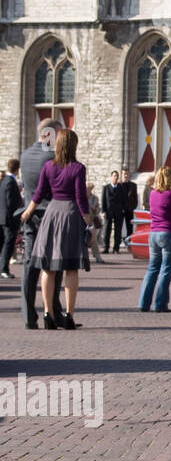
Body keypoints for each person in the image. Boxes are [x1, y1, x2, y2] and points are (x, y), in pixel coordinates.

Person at [20, 128, 91, 329]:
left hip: (51, 214)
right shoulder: (78, 168)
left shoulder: (48, 166)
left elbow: (39, 193)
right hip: (69, 214)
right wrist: (89, 223)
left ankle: (47, 314)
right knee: (70, 268)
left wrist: (27, 212)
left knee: (47, 267)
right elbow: (80, 198)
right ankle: (68, 314)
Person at [19, 120, 65, 327]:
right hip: (50, 215)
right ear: (50, 134)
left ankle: (29, 316)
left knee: (30, 265)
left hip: (29, 215)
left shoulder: (25, 155)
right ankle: (53, 311)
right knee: (54, 264)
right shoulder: (53, 157)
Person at [137, 166, 171, 312]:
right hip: (168, 232)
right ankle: (160, 304)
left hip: (154, 233)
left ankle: (143, 303)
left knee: (152, 268)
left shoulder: (152, 194)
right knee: (165, 270)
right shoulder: (170, 195)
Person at [1, 158, 21, 278]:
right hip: (9, 218)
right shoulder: (9, 181)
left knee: (5, 243)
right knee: (8, 244)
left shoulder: (4, 180)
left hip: (4, 218)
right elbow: (10, 202)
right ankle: (3, 270)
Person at [100, 170, 124, 254]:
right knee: (107, 230)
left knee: (118, 231)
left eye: (117, 176)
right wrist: (103, 211)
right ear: (111, 177)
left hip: (118, 212)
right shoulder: (106, 187)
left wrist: (122, 209)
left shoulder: (121, 187)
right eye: (114, 176)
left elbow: (123, 200)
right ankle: (106, 248)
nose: (116, 177)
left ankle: (116, 248)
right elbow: (103, 200)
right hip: (108, 212)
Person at [118, 168, 139, 252]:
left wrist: (133, 207)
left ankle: (129, 245)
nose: (126, 176)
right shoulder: (119, 185)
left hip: (129, 209)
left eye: (127, 174)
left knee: (129, 228)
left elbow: (135, 199)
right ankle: (117, 245)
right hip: (120, 210)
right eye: (124, 174)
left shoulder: (133, 185)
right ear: (121, 175)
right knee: (118, 227)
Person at [86, 181, 106, 264]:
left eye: (91, 188)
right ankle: (84, 257)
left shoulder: (95, 198)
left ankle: (98, 257)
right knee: (82, 240)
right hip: (82, 221)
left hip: (92, 221)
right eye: (88, 188)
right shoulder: (81, 197)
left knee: (93, 240)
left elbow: (98, 209)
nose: (89, 190)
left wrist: (95, 208)